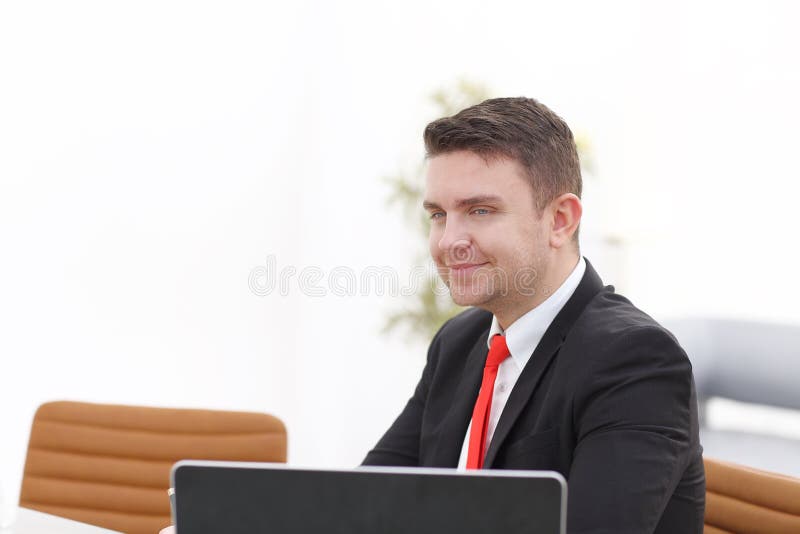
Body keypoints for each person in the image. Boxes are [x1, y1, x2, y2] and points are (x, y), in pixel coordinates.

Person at [361, 97, 705, 533]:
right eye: (438, 215)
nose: (449, 241)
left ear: (560, 220)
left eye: (479, 211)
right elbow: (369, 501)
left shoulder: (637, 361)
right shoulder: (460, 341)